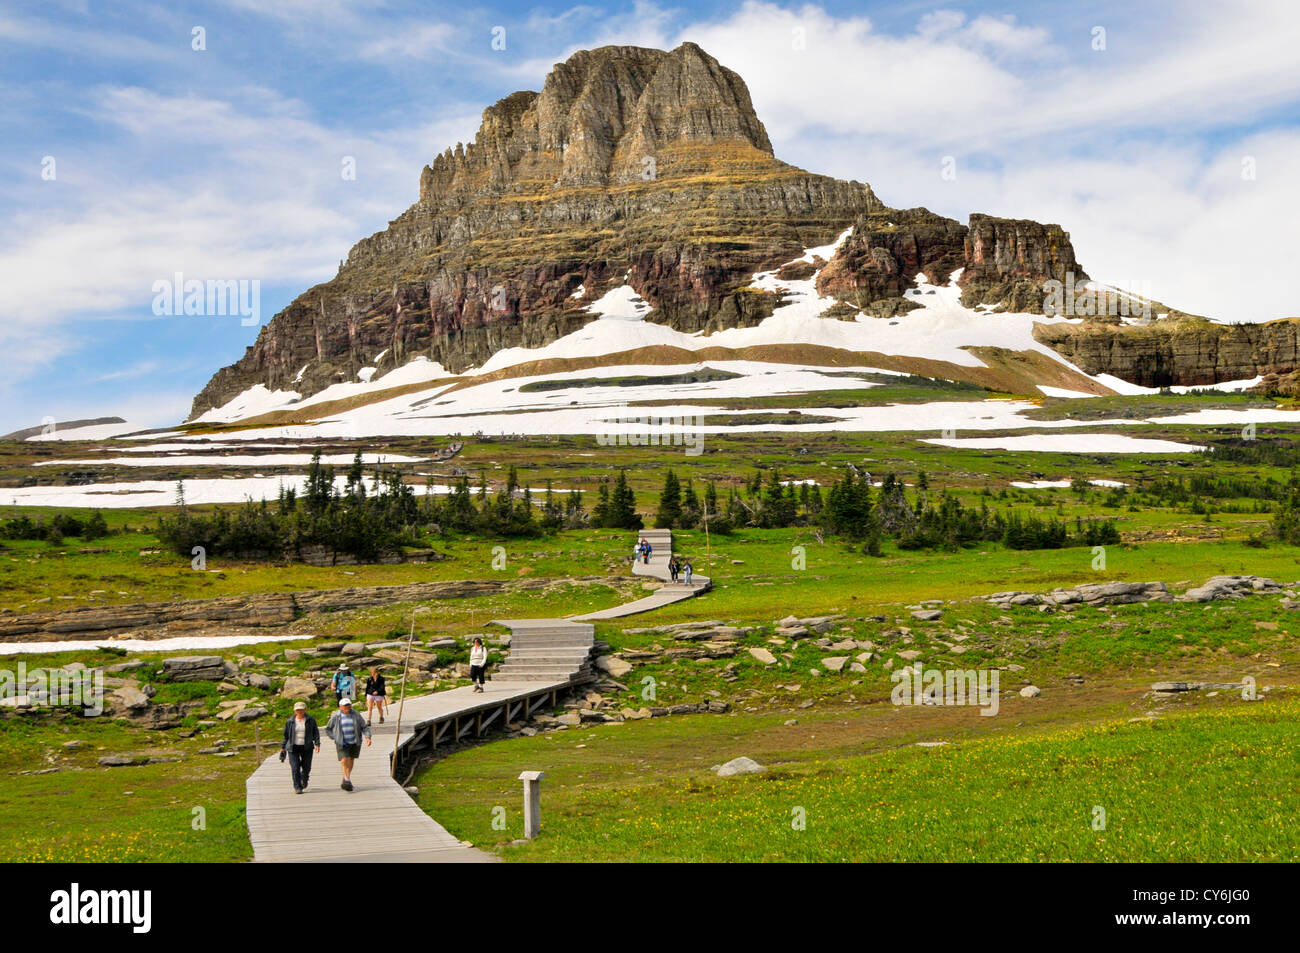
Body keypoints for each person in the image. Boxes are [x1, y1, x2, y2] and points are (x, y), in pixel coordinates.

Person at [325, 697, 371, 791]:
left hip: (354, 741)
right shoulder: (336, 716)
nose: (347, 707)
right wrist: (335, 737)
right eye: (345, 706)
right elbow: (328, 728)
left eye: (349, 705)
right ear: (340, 707)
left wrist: (368, 737)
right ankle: (347, 780)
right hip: (342, 742)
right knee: (344, 760)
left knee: (351, 760)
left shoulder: (356, 714)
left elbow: (364, 727)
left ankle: (346, 777)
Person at [279, 701, 320, 795]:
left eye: (301, 709)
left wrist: (317, 744)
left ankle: (304, 779)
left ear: (305, 710)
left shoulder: (311, 720)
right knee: (295, 767)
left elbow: (315, 733)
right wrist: (283, 747)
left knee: (307, 767)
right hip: (293, 747)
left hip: (307, 747)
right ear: (295, 711)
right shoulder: (290, 721)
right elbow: (286, 736)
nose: (300, 711)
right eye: (298, 710)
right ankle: (297, 787)